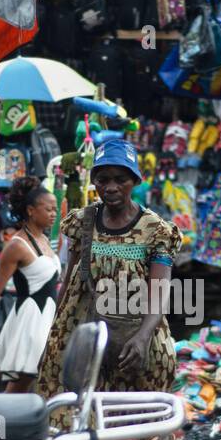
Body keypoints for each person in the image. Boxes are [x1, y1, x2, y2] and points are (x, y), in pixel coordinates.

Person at [34, 139, 181, 401]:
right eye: (102, 180)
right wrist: (54, 333)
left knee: (128, 414)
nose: (111, 188)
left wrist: (143, 337)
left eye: (120, 179)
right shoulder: (82, 222)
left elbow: (160, 290)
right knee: (72, 406)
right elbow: (70, 281)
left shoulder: (156, 230)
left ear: (135, 180)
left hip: (132, 334)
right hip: (80, 328)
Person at [0, 177, 59, 392]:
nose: (54, 214)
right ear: (31, 210)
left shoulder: (45, 240)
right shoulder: (16, 245)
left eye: (55, 210)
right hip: (31, 321)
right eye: (49, 209)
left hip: (49, 319)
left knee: (41, 387)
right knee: (19, 387)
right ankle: (1, 425)